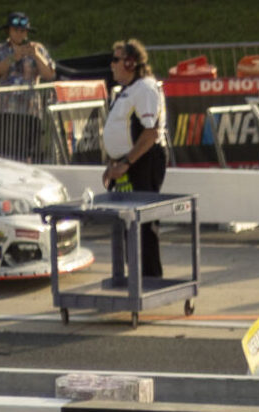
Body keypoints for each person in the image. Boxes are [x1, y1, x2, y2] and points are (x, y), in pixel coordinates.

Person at [101, 39, 165, 283]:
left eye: (117, 59)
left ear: (130, 62)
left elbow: (150, 133)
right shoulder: (129, 89)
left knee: (144, 223)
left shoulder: (145, 88)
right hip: (129, 162)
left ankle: (150, 278)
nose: (112, 64)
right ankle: (137, 277)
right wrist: (113, 162)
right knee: (129, 222)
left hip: (143, 161)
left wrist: (125, 163)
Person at [0, 11, 51, 86]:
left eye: (22, 31)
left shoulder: (38, 48)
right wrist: (13, 58)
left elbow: (50, 75)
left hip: (30, 96)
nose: (19, 34)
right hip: (6, 96)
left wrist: (37, 55)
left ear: (27, 32)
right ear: (8, 31)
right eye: (15, 30)